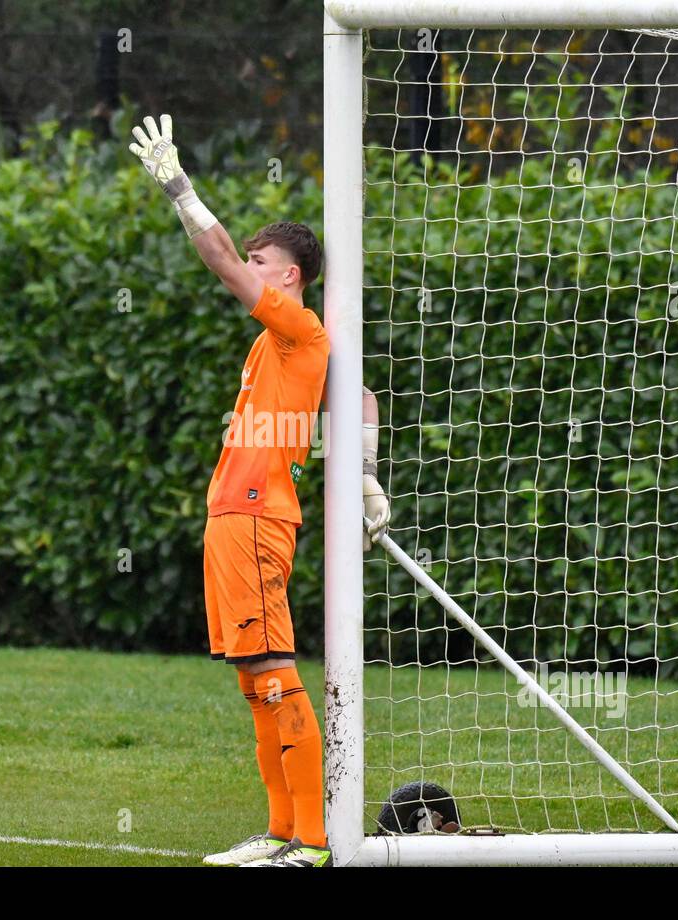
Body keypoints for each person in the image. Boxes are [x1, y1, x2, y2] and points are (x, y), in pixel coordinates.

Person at [130, 115, 391, 867]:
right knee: (253, 678)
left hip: (254, 518)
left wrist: (178, 186)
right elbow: (362, 394)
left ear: (289, 275)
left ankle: (311, 841)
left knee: (274, 670)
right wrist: (369, 474)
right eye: (251, 255)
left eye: (261, 257)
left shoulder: (296, 325)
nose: (249, 263)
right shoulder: (283, 340)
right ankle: (279, 831)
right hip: (230, 517)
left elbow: (214, 255)